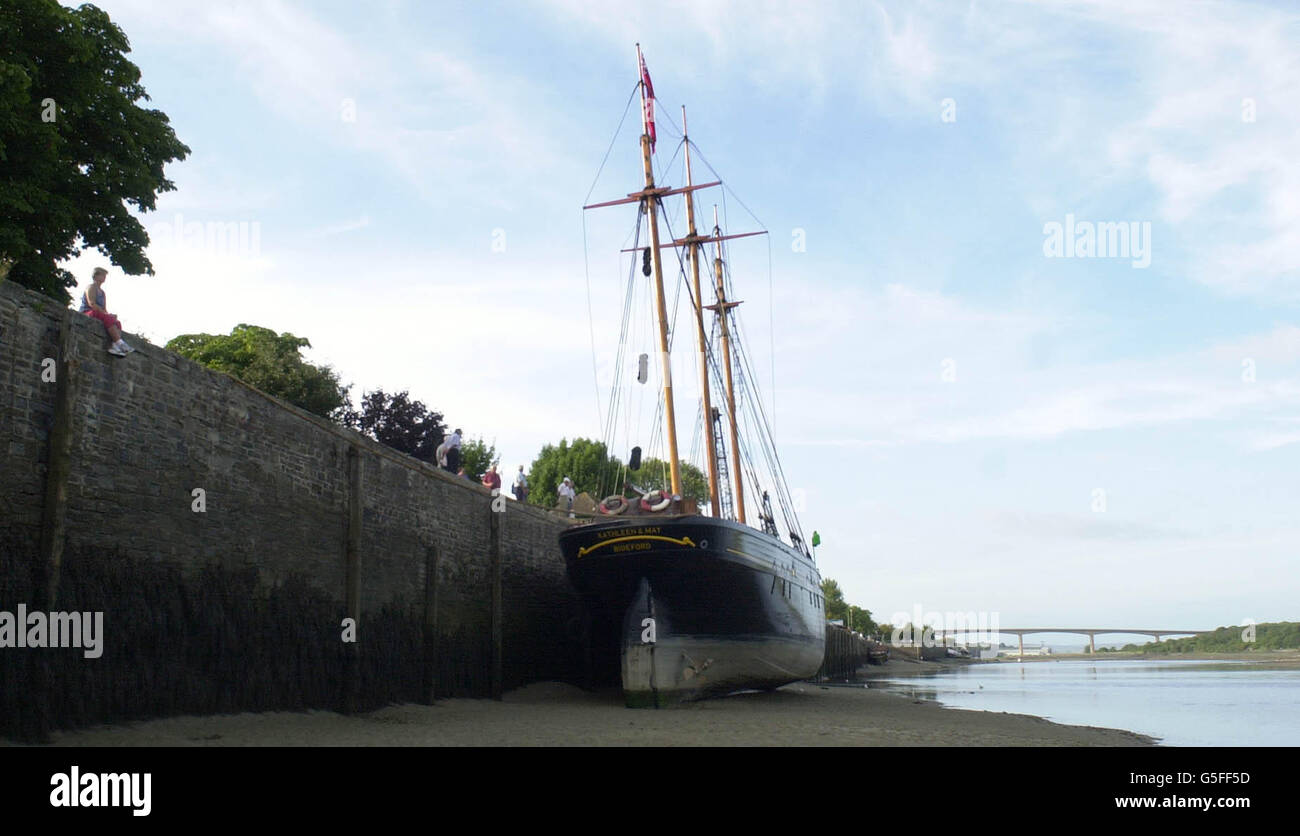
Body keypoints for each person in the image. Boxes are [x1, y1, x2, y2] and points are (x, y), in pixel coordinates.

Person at [80, 268, 135, 356]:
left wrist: (109, 314)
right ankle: (120, 343)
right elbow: (92, 303)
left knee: (116, 322)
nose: (105, 277)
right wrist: (106, 314)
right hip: (88, 312)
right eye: (103, 275)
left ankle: (114, 346)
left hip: (99, 313)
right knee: (108, 318)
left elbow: (104, 309)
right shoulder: (91, 287)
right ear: (96, 276)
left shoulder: (102, 292)